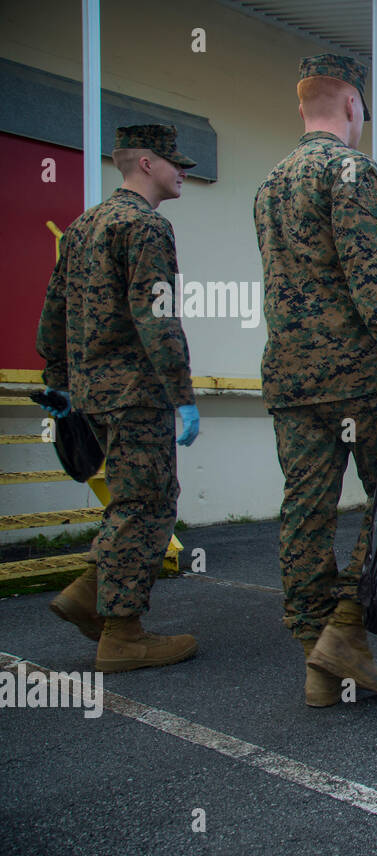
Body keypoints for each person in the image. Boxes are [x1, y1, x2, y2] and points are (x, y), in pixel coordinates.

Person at [254, 53, 377, 707]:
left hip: (290, 377)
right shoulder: (351, 169)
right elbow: (372, 277)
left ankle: (319, 661)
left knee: (304, 515)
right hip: (357, 376)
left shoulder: (270, 183)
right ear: (353, 107)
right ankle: (345, 628)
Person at [36, 124, 200, 673]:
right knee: (148, 504)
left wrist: (59, 378)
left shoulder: (84, 226)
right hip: (136, 392)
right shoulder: (146, 227)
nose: (183, 172)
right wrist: (183, 395)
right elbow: (157, 318)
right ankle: (123, 633)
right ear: (146, 163)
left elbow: (53, 309)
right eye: (176, 163)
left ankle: (89, 594)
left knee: (131, 500)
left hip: (91, 393)